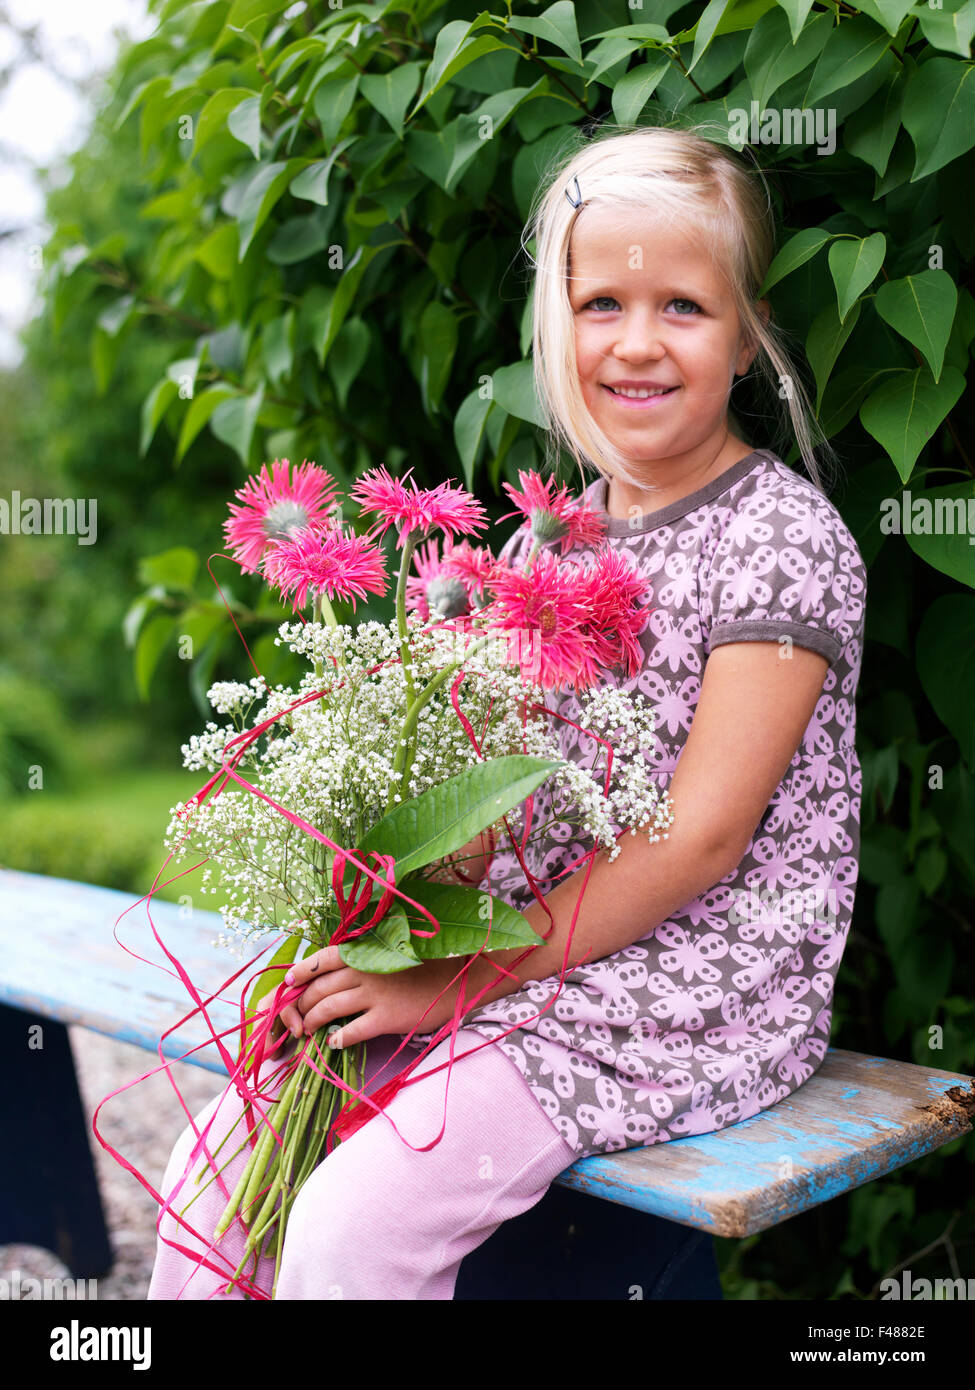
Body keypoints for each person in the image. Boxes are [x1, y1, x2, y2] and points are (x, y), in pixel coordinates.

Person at [148, 123, 867, 1301]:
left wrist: (448, 986)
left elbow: (701, 838)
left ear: (745, 336)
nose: (637, 342)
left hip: (686, 986)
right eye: (602, 304)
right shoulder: (554, 535)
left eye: (683, 305)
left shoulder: (780, 541)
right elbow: (505, 783)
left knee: (352, 1234)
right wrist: (392, 925)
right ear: (556, 324)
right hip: (533, 946)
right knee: (209, 1182)